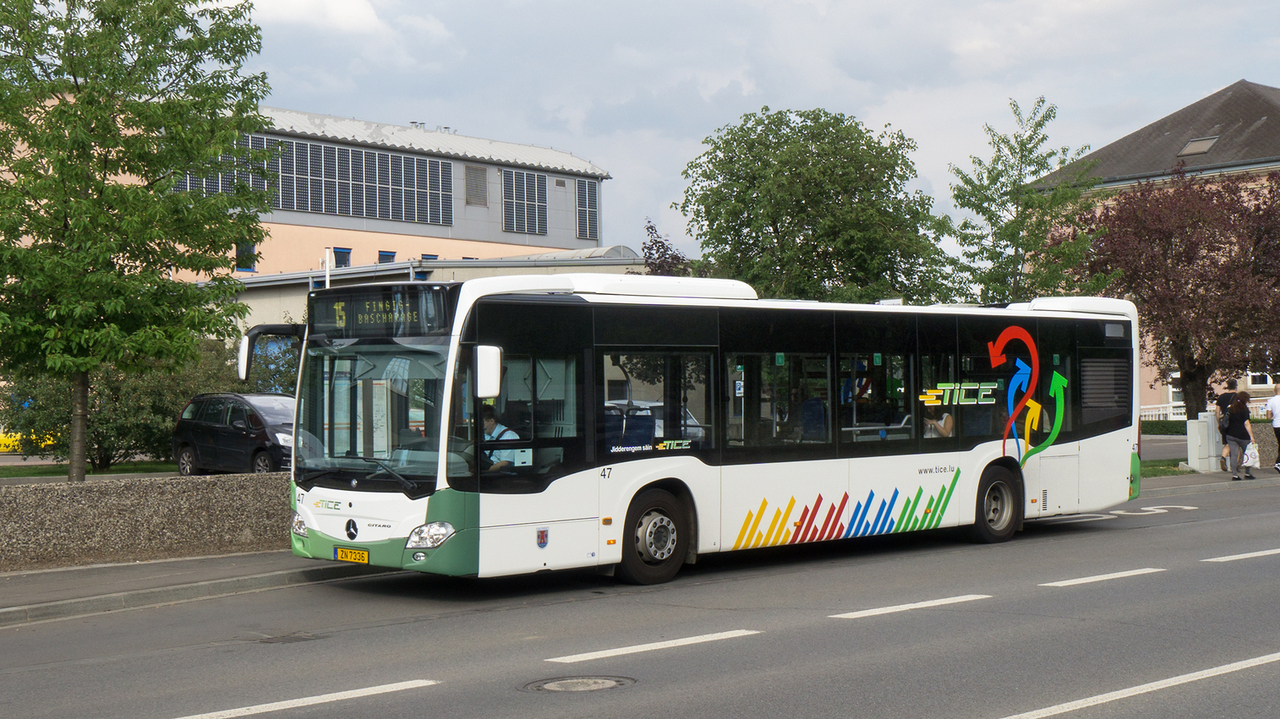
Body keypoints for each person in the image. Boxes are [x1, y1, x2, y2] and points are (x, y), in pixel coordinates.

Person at [1223, 391, 1255, 480]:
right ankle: (1247, 474)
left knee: (1234, 455)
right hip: (1242, 436)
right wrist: (1251, 436)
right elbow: (1246, 423)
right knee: (1248, 453)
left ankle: (1234, 475)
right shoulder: (1244, 409)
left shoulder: (1230, 408)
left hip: (1230, 434)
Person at [480, 404, 518, 471]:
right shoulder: (485, 435)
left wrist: (484, 472)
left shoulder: (508, 436)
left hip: (500, 474)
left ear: (492, 421)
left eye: (482, 423)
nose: (481, 426)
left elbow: (505, 463)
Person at [1215, 379, 1238, 472]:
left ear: (1227, 386)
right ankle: (1235, 466)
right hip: (1236, 423)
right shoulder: (1238, 397)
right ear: (1236, 386)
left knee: (1227, 443)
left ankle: (1223, 458)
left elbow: (1217, 412)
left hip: (1225, 424)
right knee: (1236, 444)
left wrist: (1218, 423)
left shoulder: (1221, 397)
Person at [1267, 385, 1280, 474]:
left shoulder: (1270, 401)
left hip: (1276, 425)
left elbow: (1268, 416)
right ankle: (1278, 462)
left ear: (1274, 390)